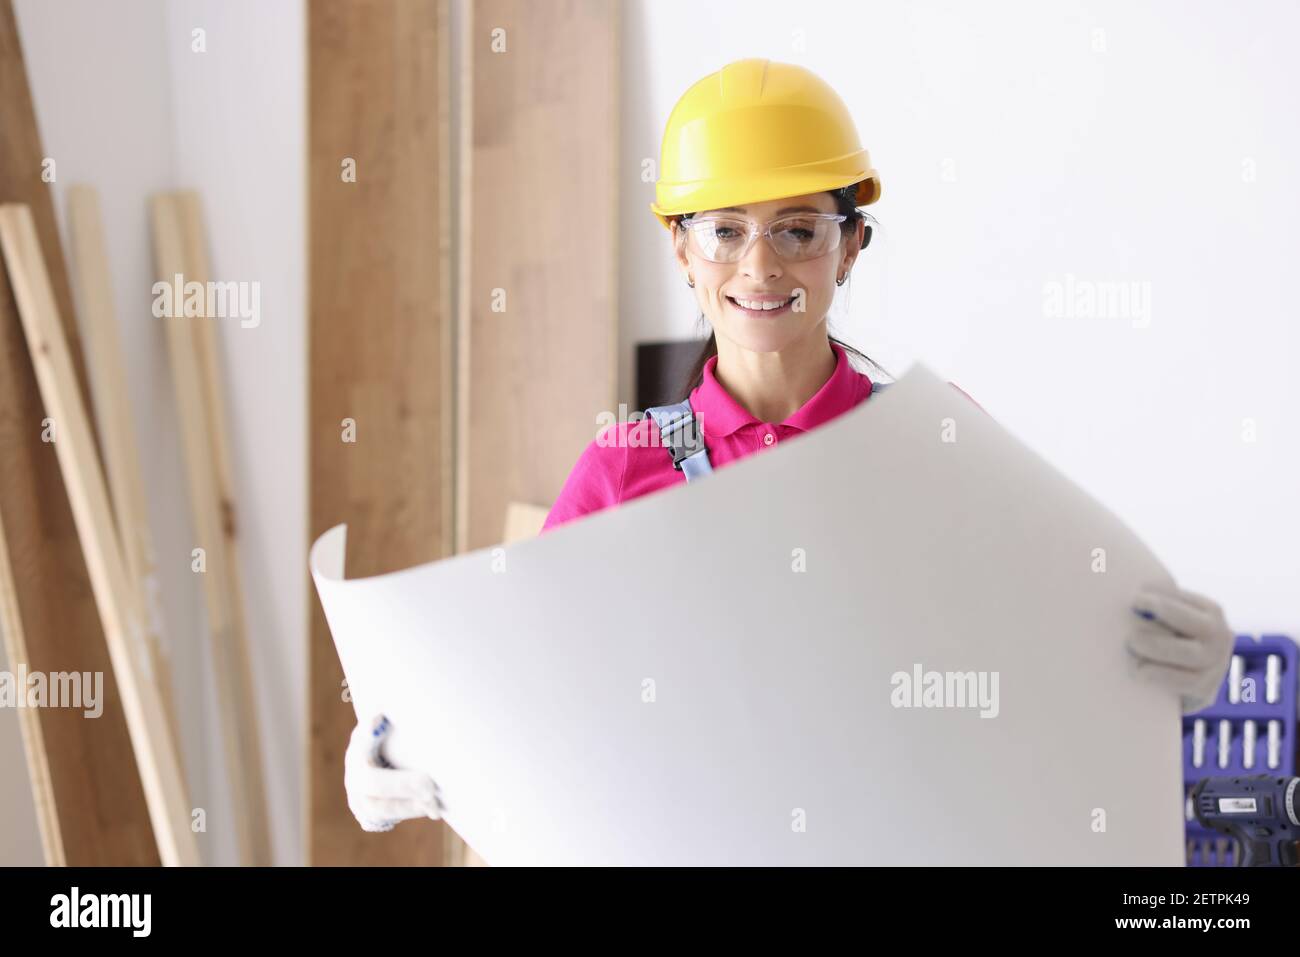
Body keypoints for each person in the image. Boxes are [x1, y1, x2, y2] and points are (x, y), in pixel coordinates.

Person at [343, 59, 1234, 835]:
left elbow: (1040, 641)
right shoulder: (621, 471)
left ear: (849, 248)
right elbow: (528, 691)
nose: (760, 267)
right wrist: (396, 755)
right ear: (681, 253)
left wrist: (1173, 674)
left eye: (798, 228)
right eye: (724, 229)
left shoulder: (934, 438)